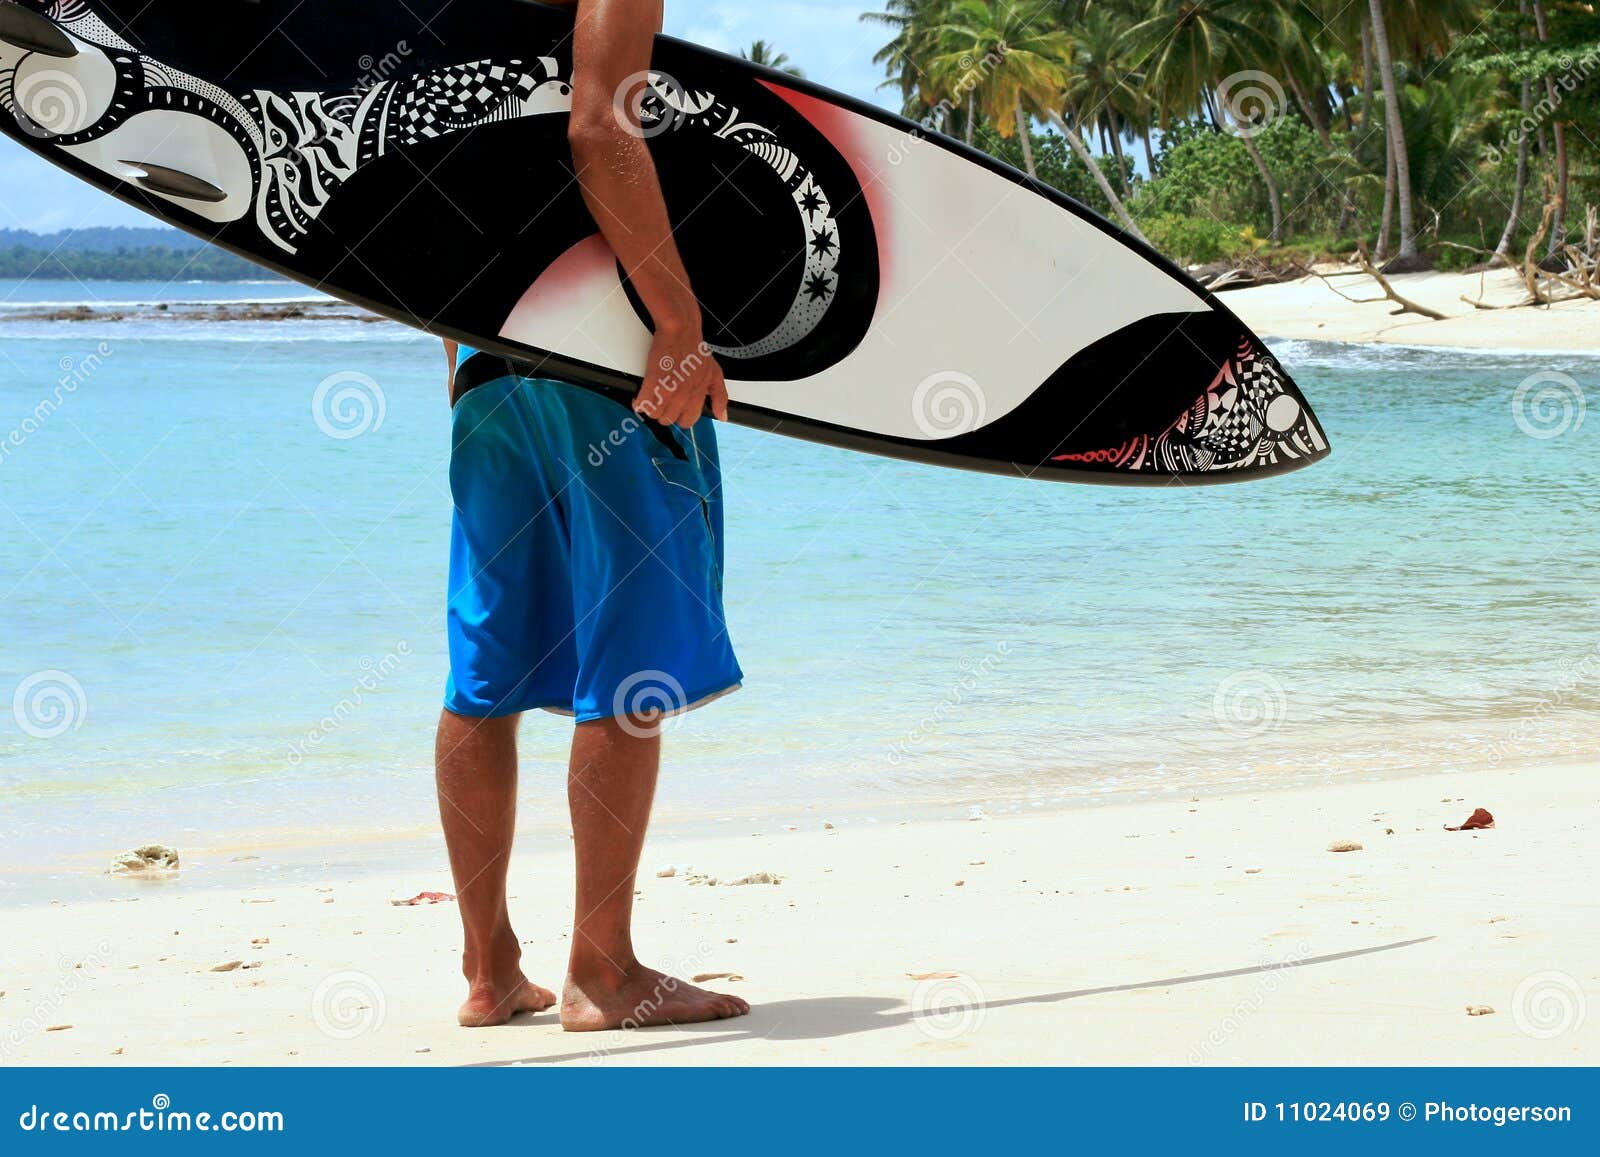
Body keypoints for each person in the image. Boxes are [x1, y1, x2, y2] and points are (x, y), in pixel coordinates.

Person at [435, 0, 748, 1031]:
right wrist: (678, 319)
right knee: (634, 659)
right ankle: (601, 970)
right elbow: (598, 125)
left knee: (482, 668)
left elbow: (427, 172)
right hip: (604, 349)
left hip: (483, 351)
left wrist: (455, 358)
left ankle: (490, 969)